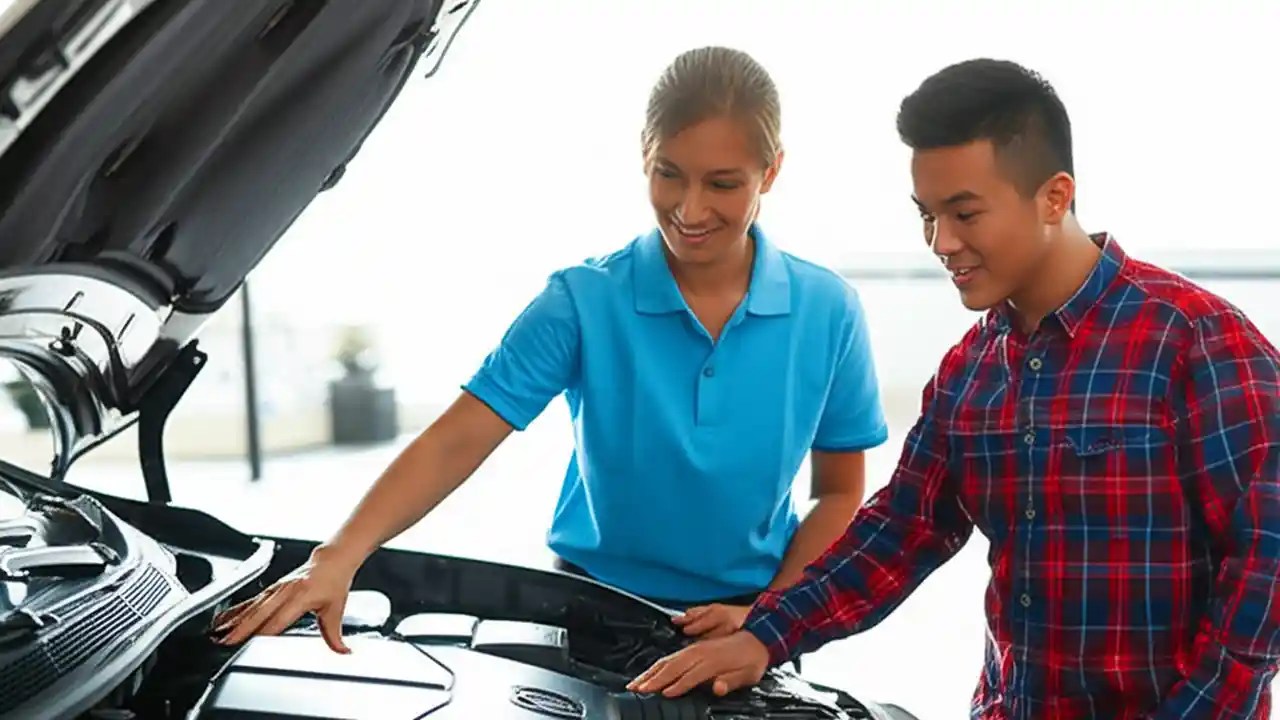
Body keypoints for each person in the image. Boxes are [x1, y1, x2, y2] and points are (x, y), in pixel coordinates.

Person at [627, 58, 1280, 720]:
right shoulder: (969, 373)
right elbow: (899, 530)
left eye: (965, 213)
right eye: (927, 215)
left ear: (1054, 197)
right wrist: (765, 635)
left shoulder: (1196, 341)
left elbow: (1268, 565)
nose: (941, 242)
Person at [211, 46, 889, 652]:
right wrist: (340, 554)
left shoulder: (829, 311)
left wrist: (771, 618)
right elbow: (457, 439)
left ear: (770, 172)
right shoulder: (581, 300)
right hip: (588, 606)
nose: (689, 209)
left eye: (722, 183)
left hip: (751, 615)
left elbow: (838, 492)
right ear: (643, 154)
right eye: (668, 173)